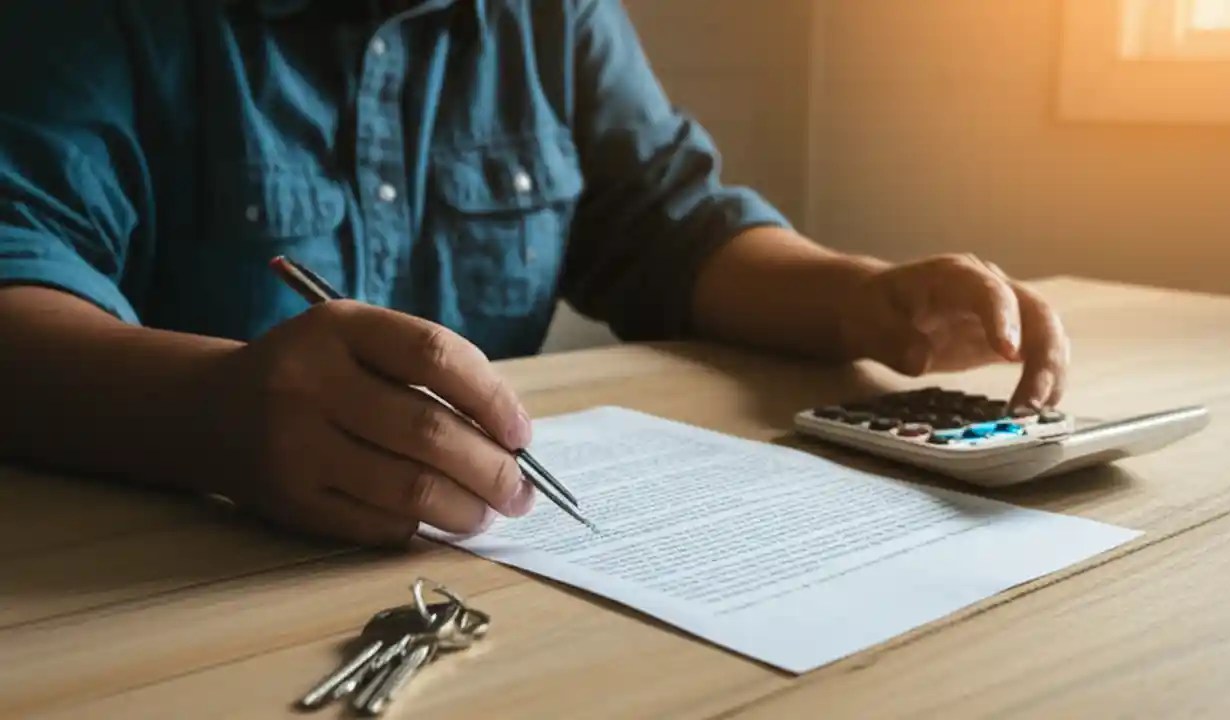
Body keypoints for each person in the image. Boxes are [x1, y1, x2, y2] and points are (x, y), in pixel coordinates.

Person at [0, 0, 1068, 547]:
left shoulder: (553, 13)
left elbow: (669, 226)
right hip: (162, 586)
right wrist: (206, 412)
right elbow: (15, 268)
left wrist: (859, 297)